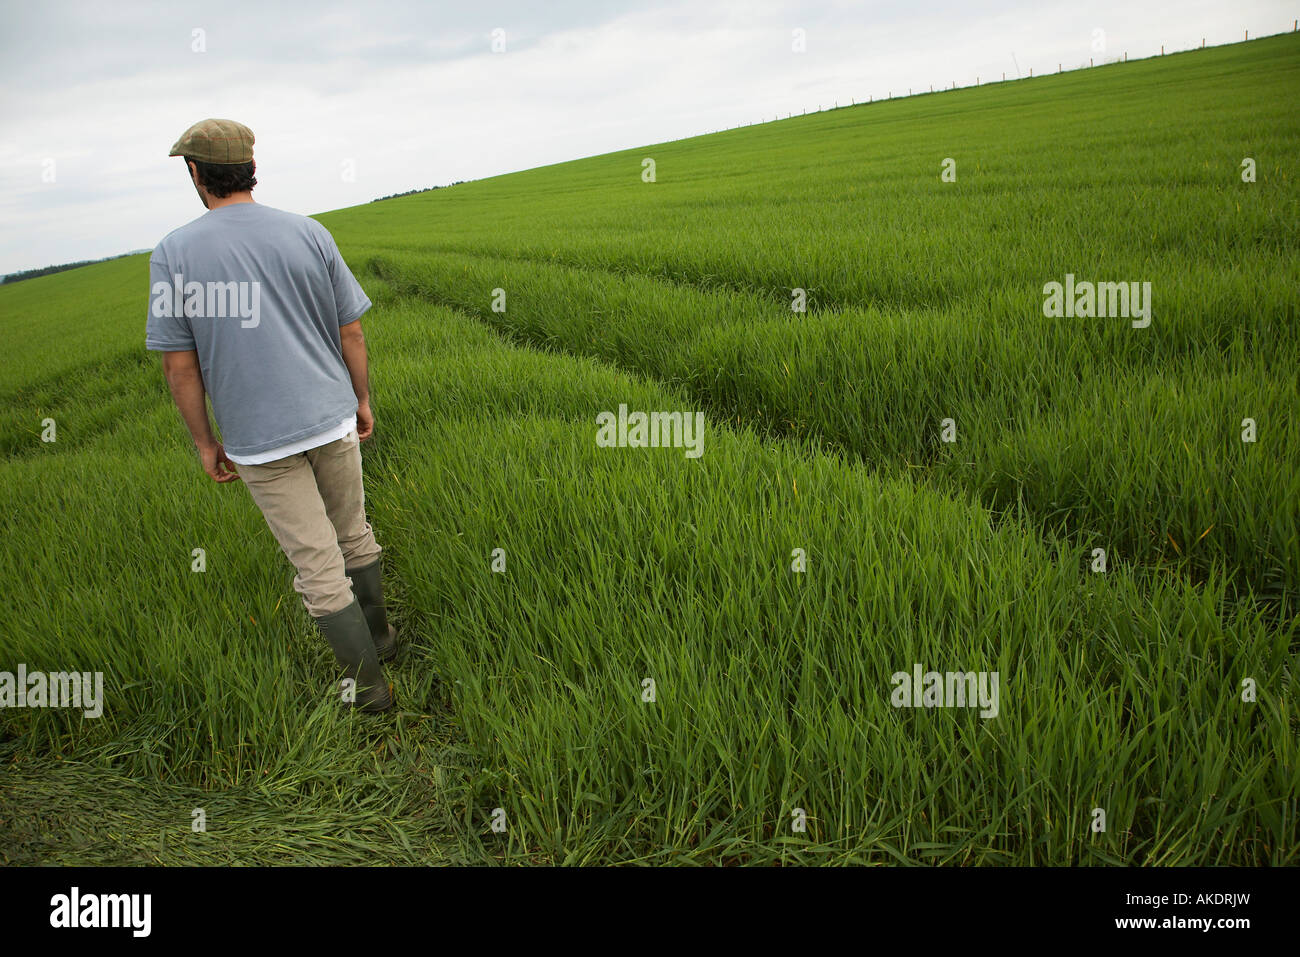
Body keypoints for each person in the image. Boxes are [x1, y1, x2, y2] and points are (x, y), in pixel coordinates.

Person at [145, 118, 395, 712]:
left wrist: (205, 443)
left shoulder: (172, 254)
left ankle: (369, 691)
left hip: (258, 441)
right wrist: (361, 399)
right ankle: (383, 639)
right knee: (352, 531)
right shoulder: (308, 232)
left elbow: (180, 369)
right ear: (251, 167)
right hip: (332, 415)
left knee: (315, 561)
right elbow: (351, 329)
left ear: (195, 172)